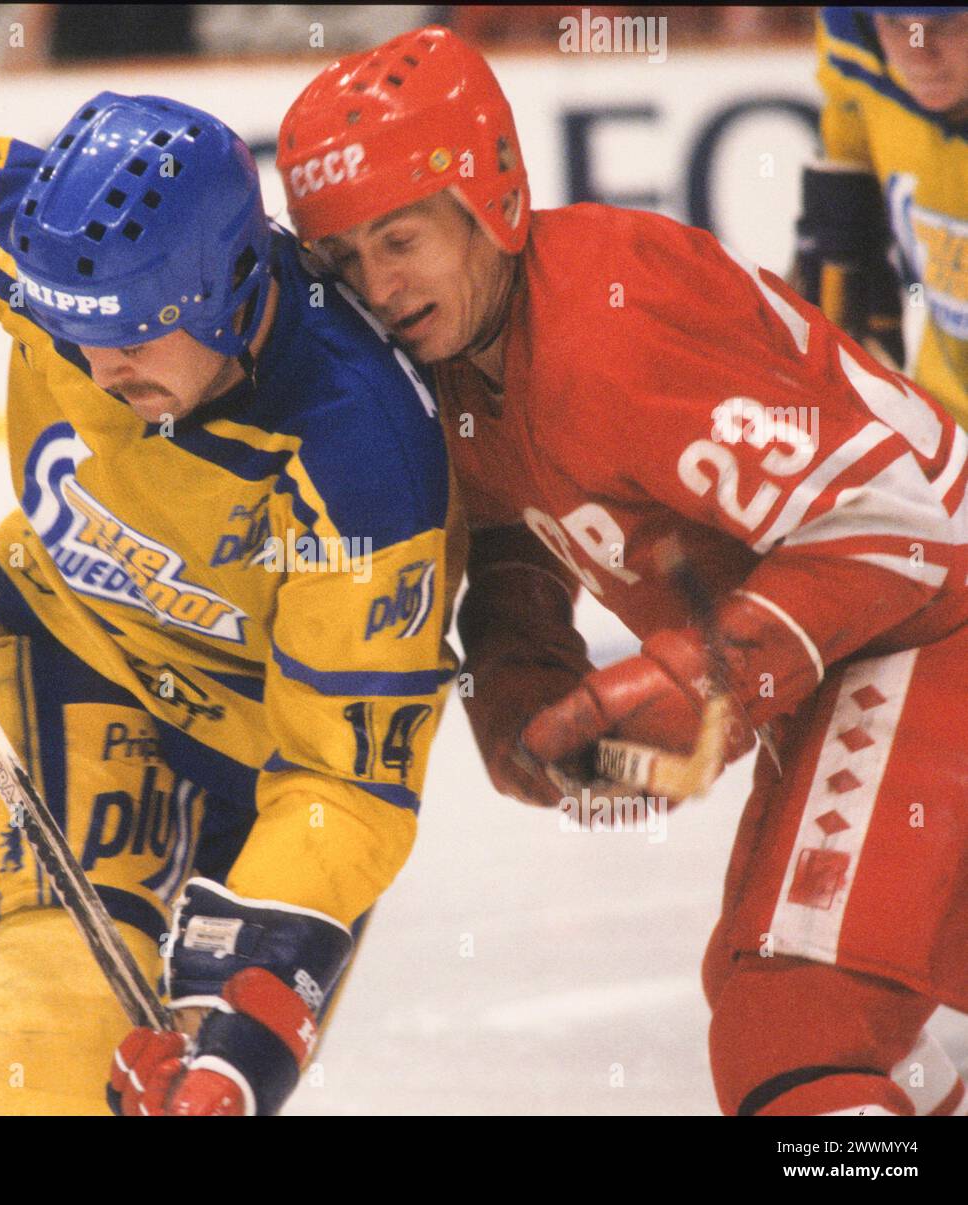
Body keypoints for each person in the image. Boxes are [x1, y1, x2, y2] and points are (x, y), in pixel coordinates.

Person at [280, 25, 968, 1116]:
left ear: (489, 200)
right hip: (877, 648)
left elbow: (900, 526)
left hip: (933, 628)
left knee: (796, 1026)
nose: (380, 286)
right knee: (883, 1036)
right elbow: (515, 520)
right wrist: (521, 660)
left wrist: (706, 673)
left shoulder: (615, 321)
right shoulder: (451, 368)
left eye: (400, 238)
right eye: (345, 263)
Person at [0, 91, 462, 1116]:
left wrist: (235, 1033)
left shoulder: (364, 462)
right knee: (48, 1040)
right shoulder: (40, 243)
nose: (98, 368)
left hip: (272, 753)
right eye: (70, 330)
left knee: (197, 1079)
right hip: (69, 642)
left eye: (135, 335)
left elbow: (344, 784)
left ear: (230, 291)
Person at [793, 7, 968, 427]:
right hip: (948, 436)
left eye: (941, 26)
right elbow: (843, 218)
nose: (917, 52)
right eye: (896, 24)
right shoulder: (855, 51)